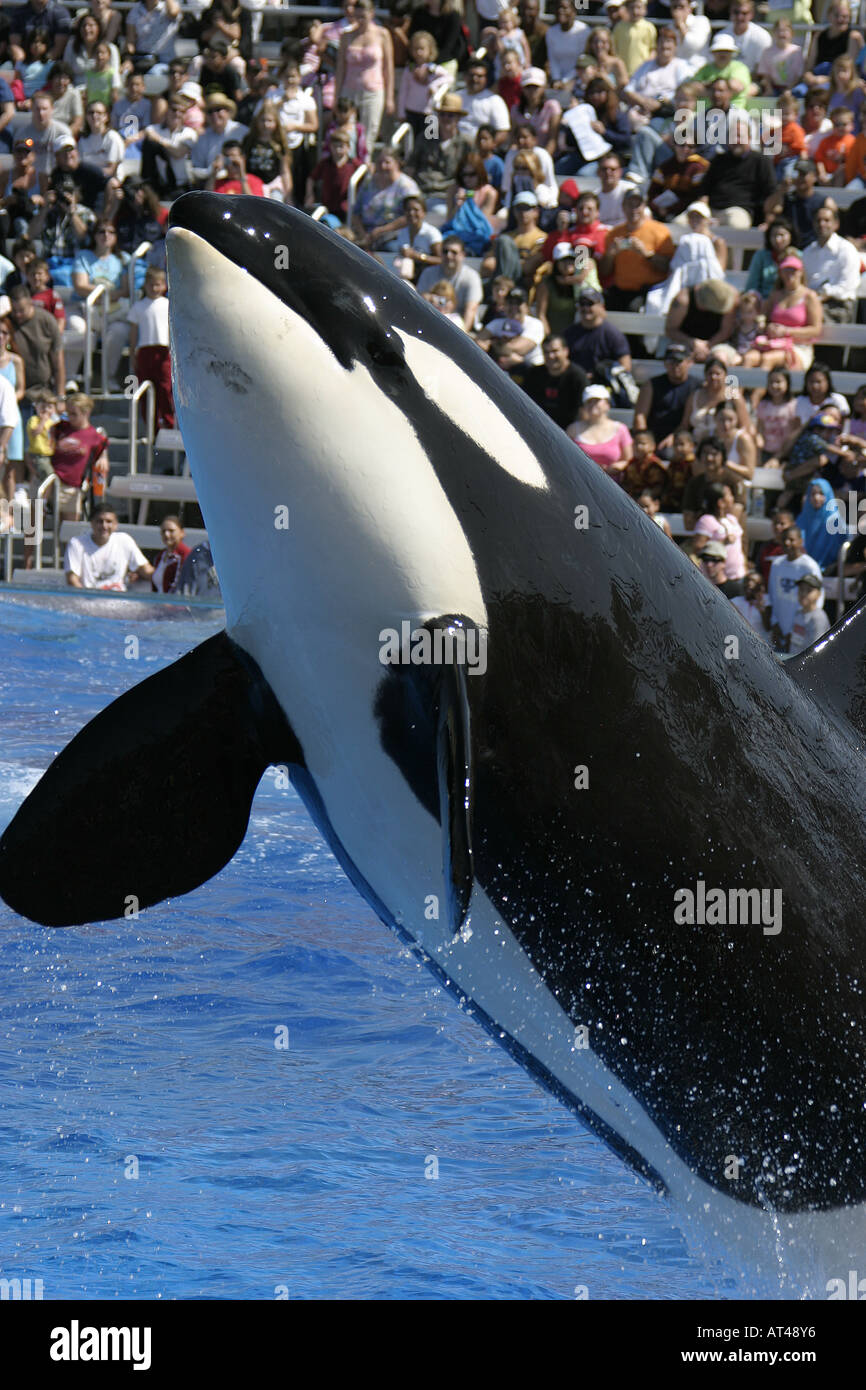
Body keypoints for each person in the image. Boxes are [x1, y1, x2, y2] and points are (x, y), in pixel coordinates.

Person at [598, 187, 674, 310]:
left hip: (648, 290)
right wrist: (610, 255)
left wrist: (646, 254)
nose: (634, 210)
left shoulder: (660, 231)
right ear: (623, 207)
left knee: (634, 308)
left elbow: (668, 267)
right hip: (619, 291)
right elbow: (604, 271)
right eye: (629, 205)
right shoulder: (614, 233)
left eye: (637, 205)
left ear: (644, 206)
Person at [335, 0, 393, 148]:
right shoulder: (346, 35)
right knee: (347, 134)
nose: (360, 20)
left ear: (371, 14)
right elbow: (340, 67)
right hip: (349, 90)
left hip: (373, 91)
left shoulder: (382, 34)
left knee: (368, 136)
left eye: (364, 16)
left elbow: (388, 68)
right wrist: (337, 95)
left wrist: (389, 98)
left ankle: (365, 167)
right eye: (357, 16)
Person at [697, 126, 777, 228]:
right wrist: (702, 210)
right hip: (711, 211)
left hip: (739, 212)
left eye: (739, 136)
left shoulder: (761, 161)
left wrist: (768, 222)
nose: (735, 140)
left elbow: (771, 194)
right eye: (731, 137)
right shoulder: (718, 160)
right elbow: (704, 191)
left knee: (735, 225)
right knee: (679, 224)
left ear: (749, 138)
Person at [65, 502, 154, 589]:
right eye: (100, 521)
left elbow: (146, 570)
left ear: (116, 525)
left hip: (118, 601)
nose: (104, 526)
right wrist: (86, 600)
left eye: (109, 521)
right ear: (91, 523)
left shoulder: (125, 540)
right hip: (87, 601)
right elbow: (72, 580)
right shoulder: (76, 543)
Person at [800, 203, 861, 324]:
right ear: (813, 224)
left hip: (838, 305)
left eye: (827, 220)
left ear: (836, 224)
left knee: (803, 317)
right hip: (810, 302)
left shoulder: (846, 250)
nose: (822, 224)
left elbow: (847, 287)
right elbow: (803, 283)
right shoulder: (807, 252)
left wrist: (823, 294)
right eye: (818, 220)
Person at [768, 523, 825, 649]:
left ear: (800, 542)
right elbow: (773, 596)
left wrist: (795, 631)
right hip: (780, 630)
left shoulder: (809, 566)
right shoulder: (777, 564)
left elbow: (817, 600)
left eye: (792, 540)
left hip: (800, 633)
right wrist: (775, 623)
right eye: (784, 540)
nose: (787, 543)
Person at [128, 263, 171, 427]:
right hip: (145, 351)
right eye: (151, 284)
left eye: (158, 284)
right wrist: (133, 354)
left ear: (164, 285)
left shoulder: (167, 304)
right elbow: (133, 334)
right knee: (146, 390)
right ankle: (152, 428)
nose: (154, 288)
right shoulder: (138, 306)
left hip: (163, 351)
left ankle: (168, 423)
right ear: (145, 286)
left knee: (165, 389)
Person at [8, 284, 64, 409]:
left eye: (22, 310)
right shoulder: (7, 323)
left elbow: (58, 364)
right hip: (14, 394)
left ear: (30, 303)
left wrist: (60, 396)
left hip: (42, 394)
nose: (17, 315)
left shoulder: (47, 321)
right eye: (14, 310)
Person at [633, 342, 694, 454]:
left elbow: (685, 424)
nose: (675, 365)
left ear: (689, 362)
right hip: (653, 438)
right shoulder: (651, 385)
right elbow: (640, 417)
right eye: (670, 361)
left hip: (681, 441)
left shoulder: (696, 386)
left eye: (679, 361)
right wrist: (645, 441)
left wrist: (674, 438)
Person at [521, 333, 588, 430]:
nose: (551, 356)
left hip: (567, 433)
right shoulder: (534, 374)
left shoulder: (577, 377)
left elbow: (584, 413)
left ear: (566, 351)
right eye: (546, 352)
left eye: (555, 351)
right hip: (537, 428)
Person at [566, 383, 632, 480]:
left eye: (596, 401)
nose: (592, 404)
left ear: (607, 404)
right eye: (589, 401)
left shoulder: (621, 429)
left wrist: (615, 468)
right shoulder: (572, 429)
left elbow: (629, 460)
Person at [416, 236, 482, 333]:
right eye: (445, 251)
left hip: (459, 325)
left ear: (462, 255)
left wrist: (464, 336)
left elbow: (471, 309)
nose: (448, 255)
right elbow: (419, 302)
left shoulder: (471, 277)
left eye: (454, 252)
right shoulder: (428, 273)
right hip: (431, 322)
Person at [564, 286, 632, 379]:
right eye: (582, 304)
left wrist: (602, 374)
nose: (586, 308)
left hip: (602, 386)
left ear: (601, 306)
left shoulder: (612, 334)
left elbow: (626, 365)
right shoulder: (568, 333)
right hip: (575, 383)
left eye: (590, 303)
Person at [680, 355, 751, 444]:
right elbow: (684, 425)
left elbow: (745, 427)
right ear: (705, 375)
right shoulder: (695, 396)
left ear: (725, 376)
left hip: (726, 445)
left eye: (718, 374)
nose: (713, 377)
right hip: (696, 445)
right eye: (710, 373)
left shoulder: (734, 396)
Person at [665, 279, 738, 363]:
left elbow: (726, 330)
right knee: (678, 359)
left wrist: (707, 346)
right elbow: (670, 329)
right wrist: (692, 342)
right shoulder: (682, 301)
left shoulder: (729, 297)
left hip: (716, 343)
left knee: (719, 357)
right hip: (685, 342)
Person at [476, 285, 544, 371]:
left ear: (526, 307)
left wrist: (491, 345)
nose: (513, 307)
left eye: (518, 303)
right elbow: (477, 342)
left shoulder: (535, 324)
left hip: (530, 370)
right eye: (510, 303)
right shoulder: (497, 323)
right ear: (504, 306)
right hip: (502, 369)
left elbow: (518, 348)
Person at [764, 158, 827, 249]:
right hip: (791, 249)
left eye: (803, 174)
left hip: (815, 249)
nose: (799, 178)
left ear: (814, 177)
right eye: (797, 174)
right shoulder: (787, 198)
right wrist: (781, 191)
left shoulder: (823, 201)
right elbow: (768, 208)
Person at [693, 480, 746, 582]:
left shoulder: (732, 519)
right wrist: (721, 543)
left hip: (738, 576)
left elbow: (739, 549)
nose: (732, 498)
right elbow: (697, 548)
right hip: (717, 581)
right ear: (720, 502)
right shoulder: (706, 521)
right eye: (729, 495)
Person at [458, 58, 510, 148]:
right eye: (471, 75)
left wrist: (486, 149)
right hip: (455, 147)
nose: (475, 79)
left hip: (480, 149)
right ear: (465, 76)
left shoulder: (494, 100)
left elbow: (503, 132)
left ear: (486, 79)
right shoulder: (456, 97)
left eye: (479, 76)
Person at [545, 0, 588, 88]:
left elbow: (581, 60)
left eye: (565, 8)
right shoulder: (551, 32)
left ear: (573, 11)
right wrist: (557, 80)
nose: (560, 11)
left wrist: (566, 81)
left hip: (578, 79)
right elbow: (553, 59)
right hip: (557, 80)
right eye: (558, 8)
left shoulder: (584, 30)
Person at [788, 572, 831, 654]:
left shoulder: (818, 618)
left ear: (819, 594)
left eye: (809, 590)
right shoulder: (799, 613)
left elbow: (817, 650)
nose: (803, 594)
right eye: (801, 589)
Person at [151, 513, 189, 592]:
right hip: (158, 603)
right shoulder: (160, 556)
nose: (167, 535)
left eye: (171, 531)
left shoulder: (186, 555)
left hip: (175, 603)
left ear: (182, 533)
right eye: (163, 531)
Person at [731, 570, 770, 642]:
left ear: (761, 586)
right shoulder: (735, 601)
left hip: (761, 644)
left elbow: (768, 627)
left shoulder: (767, 601)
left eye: (754, 581)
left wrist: (762, 610)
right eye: (747, 580)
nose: (749, 583)